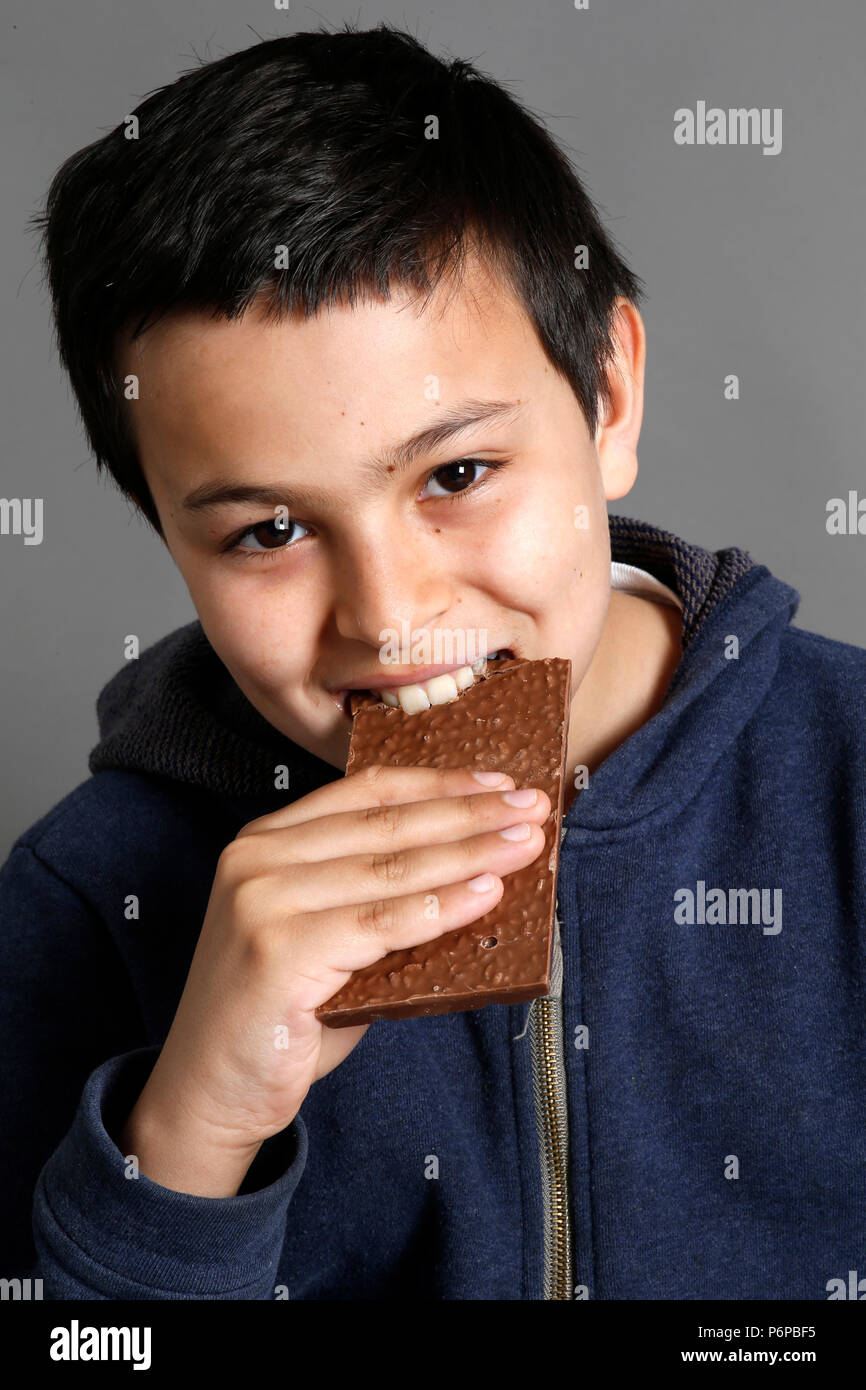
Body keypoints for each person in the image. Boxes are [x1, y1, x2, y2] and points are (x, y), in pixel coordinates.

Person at [3, 22, 864, 1301]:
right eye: (270, 530)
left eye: (456, 474)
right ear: (166, 532)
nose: (392, 615)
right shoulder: (86, 896)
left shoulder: (847, 774)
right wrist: (187, 1135)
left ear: (608, 396)